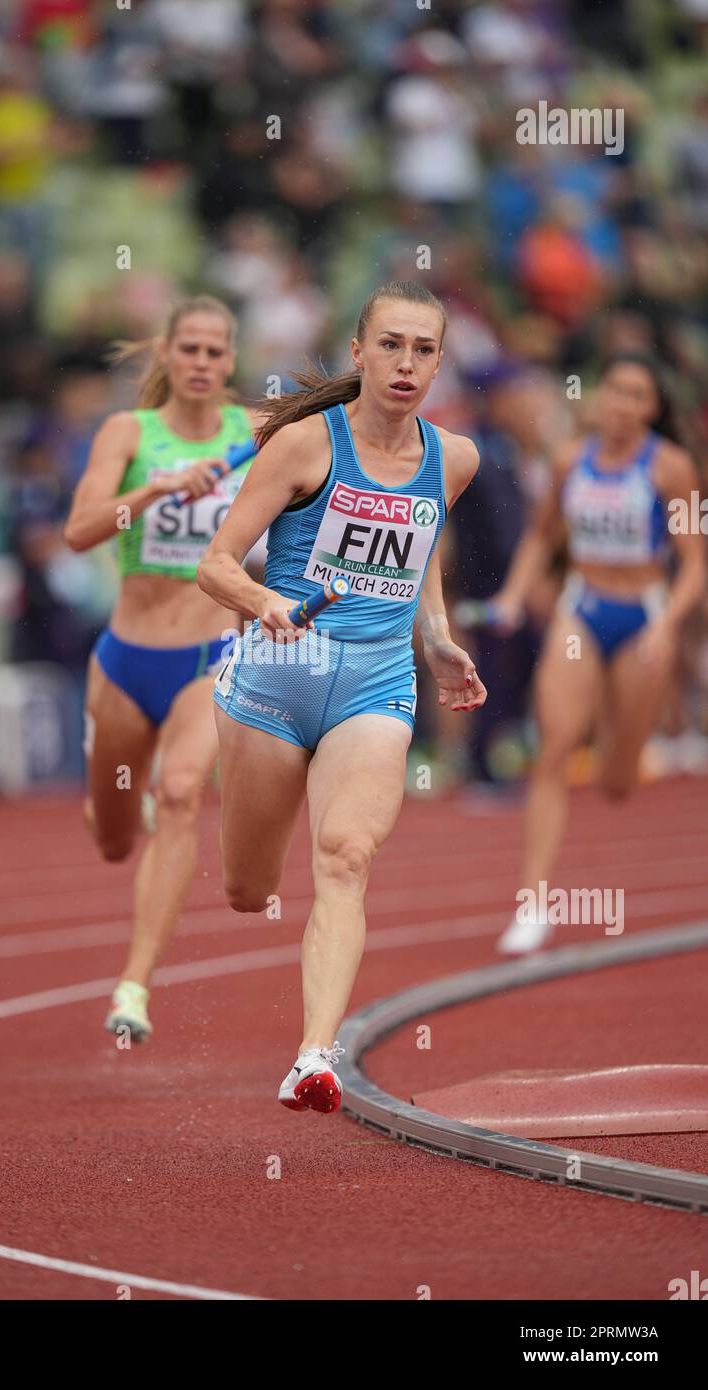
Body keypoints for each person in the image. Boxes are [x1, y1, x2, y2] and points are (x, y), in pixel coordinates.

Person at [198, 280, 486, 1113]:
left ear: (439, 362)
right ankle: (253, 888)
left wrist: (435, 637)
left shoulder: (454, 458)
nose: (406, 364)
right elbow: (216, 563)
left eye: (423, 350)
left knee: (346, 857)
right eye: (390, 344)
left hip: (376, 681)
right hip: (275, 679)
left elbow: (422, 548)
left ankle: (313, 1057)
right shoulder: (303, 446)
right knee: (248, 890)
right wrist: (265, 602)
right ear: (359, 352)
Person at [64, 295, 261, 1041]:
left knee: (181, 795)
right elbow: (80, 530)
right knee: (114, 839)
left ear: (231, 360)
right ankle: (115, 803)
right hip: (125, 660)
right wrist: (155, 489)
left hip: (210, 656)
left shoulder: (256, 434)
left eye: (215, 351)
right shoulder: (129, 432)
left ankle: (134, 988)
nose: (202, 363)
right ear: (167, 356)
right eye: (190, 349)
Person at [492, 353, 706, 953]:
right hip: (581, 609)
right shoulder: (570, 459)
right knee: (555, 747)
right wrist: (512, 595)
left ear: (652, 408)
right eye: (615, 390)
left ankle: (622, 754)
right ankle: (534, 903)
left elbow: (694, 563)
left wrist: (667, 626)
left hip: (644, 616)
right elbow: (541, 536)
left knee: (617, 781)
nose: (622, 404)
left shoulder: (670, 467)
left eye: (637, 394)